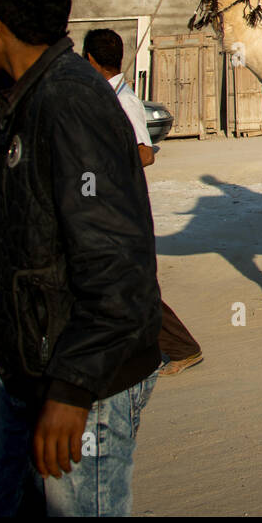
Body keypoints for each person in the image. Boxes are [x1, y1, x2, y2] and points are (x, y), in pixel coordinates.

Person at [0, 0, 162, 516]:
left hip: (85, 385)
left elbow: (116, 260)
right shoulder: (29, 100)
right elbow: (22, 249)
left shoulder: (67, 102)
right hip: (34, 370)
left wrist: (73, 391)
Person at [82, 28, 204, 377]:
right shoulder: (105, 96)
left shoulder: (124, 101)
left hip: (120, 208)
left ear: (90, 60)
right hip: (107, 206)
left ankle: (182, 347)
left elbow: (145, 154)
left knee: (131, 284)